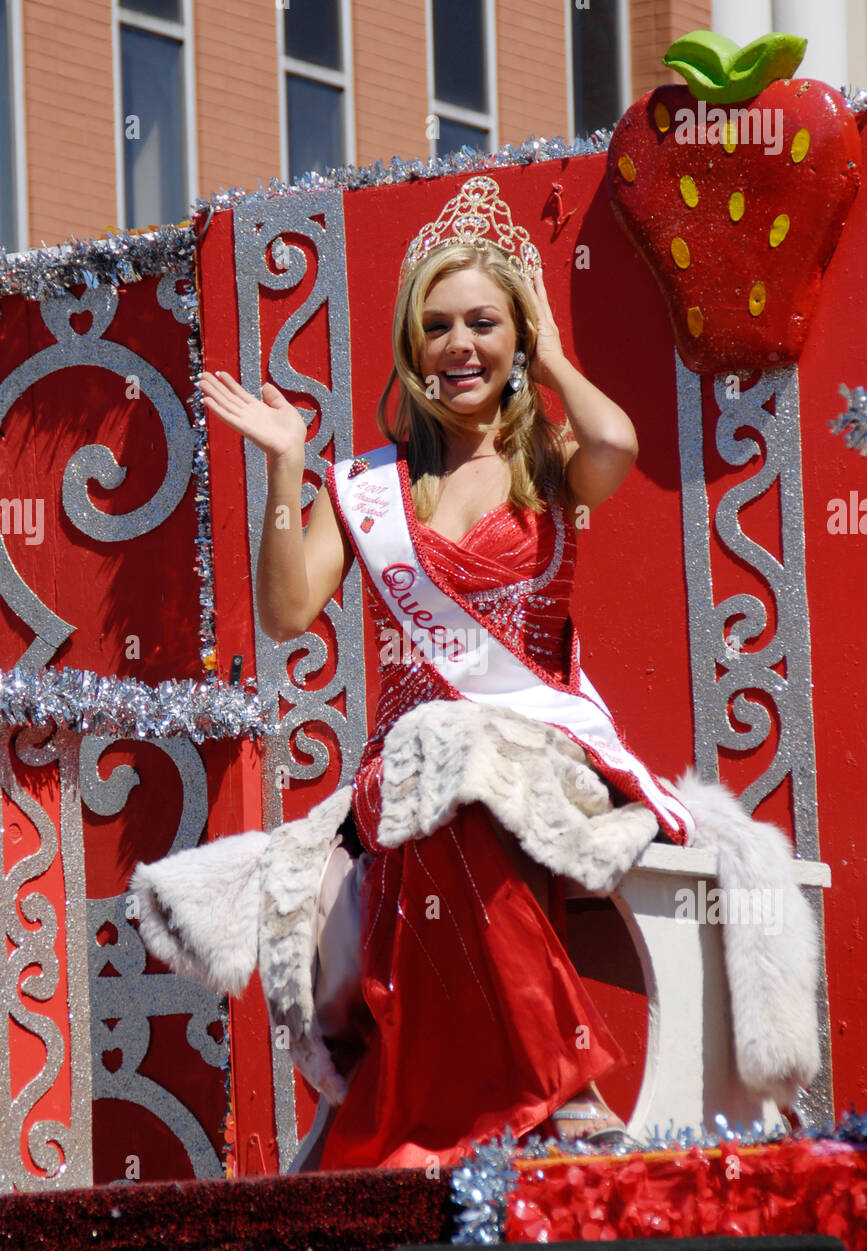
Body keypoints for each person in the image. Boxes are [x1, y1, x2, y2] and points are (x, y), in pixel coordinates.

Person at [194, 177, 698, 1170]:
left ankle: (482, 1101)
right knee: (437, 767)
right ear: (409, 347)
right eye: (437, 326)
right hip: (411, 758)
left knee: (459, 762)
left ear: (515, 341)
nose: (459, 345)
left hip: (546, 746)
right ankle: (556, 1090)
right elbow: (289, 609)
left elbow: (618, 444)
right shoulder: (373, 488)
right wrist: (289, 468)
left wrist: (554, 354)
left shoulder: (549, 459)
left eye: (483, 323)